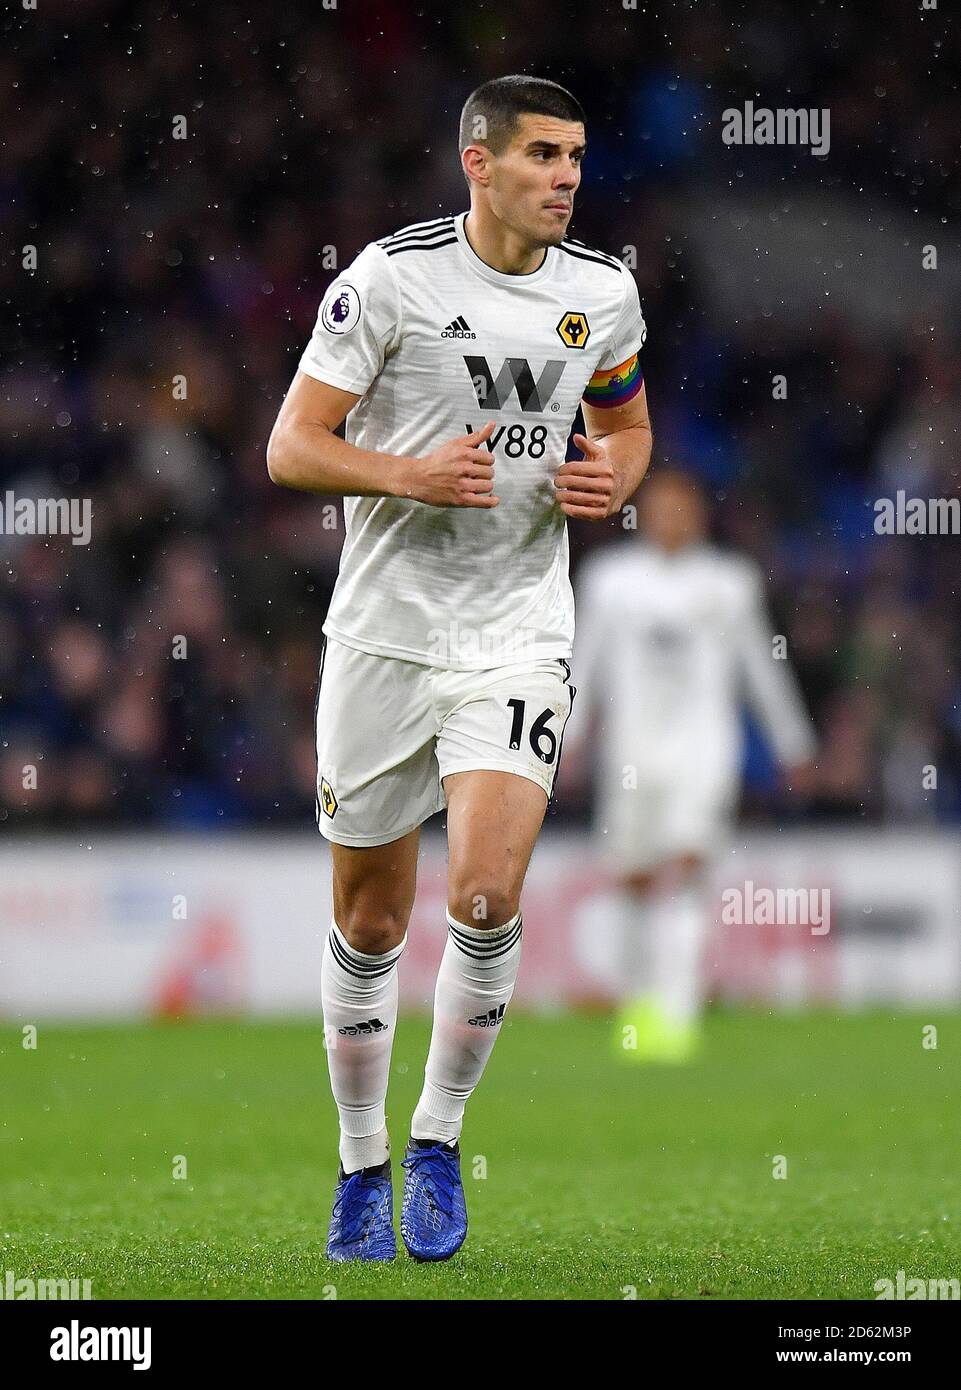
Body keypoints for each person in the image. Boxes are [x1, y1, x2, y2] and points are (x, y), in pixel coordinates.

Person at [267, 74, 652, 1262]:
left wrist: (613, 480)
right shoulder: (390, 279)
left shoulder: (603, 294)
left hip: (517, 632)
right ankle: (359, 1162)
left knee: (485, 894)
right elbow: (290, 447)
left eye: (575, 156)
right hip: (383, 635)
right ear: (477, 162)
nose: (566, 177)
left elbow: (628, 428)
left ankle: (436, 1139)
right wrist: (409, 475)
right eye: (542, 155)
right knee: (370, 918)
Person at [567, 469, 817, 1061]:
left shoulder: (730, 583)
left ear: (700, 514)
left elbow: (760, 665)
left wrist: (793, 743)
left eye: (682, 507)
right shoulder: (609, 580)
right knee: (633, 877)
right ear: (642, 514)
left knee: (686, 867)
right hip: (630, 752)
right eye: (661, 507)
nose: (671, 518)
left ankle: (677, 1015)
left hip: (704, 750)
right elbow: (584, 661)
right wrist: (566, 738)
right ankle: (639, 1004)